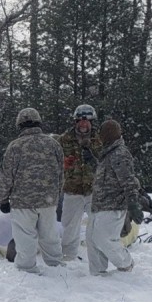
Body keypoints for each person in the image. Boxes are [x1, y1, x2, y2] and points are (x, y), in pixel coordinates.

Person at [0, 108, 64, 274]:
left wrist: (3, 199)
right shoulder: (53, 144)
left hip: (22, 201)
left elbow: (7, 176)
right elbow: (61, 173)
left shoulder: (14, 147)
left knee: (25, 237)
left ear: (19, 125)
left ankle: (27, 268)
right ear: (39, 122)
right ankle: (55, 265)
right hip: (47, 200)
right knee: (49, 235)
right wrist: (56, 195)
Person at [87, 120, 141, 275]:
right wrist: (92, 161)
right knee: (92, 239)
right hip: (99, 205)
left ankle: (126, 263)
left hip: (113, 205)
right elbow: (107, 175)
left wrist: (133, 204)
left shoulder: (120, 153)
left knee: (104, 239)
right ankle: (98, 272)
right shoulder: (107, 153)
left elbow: (128, 181)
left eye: (105, 132)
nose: (102, 136)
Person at [58, 105, 102, 261]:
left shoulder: (100, 138)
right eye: (80, 121)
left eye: (87, 121)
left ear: (92, 122)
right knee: (69, 225)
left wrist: (95, 159)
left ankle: (98, 257)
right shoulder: (64, 139)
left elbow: (108, 162)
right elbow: (55, 161)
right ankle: (67, 256)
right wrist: (63, 165)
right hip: (72, 189)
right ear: (75, 121)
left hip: (94, 189)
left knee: (97, 224)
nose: (83, 125)